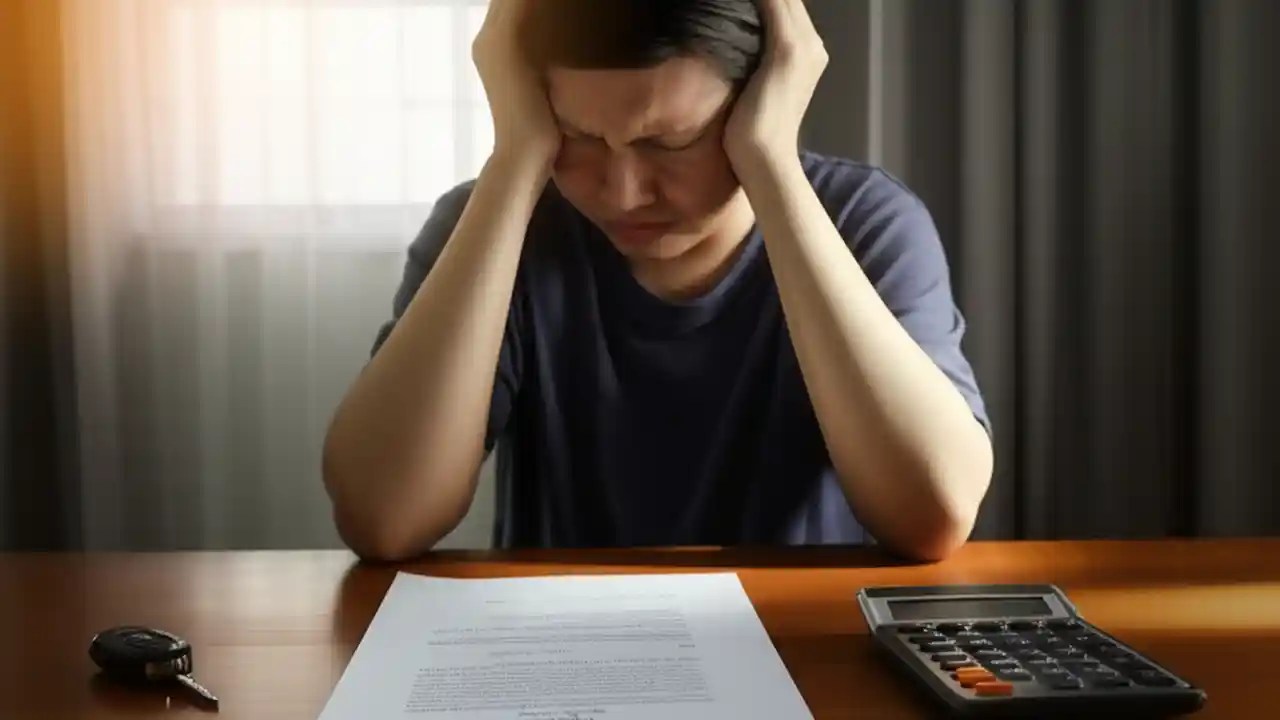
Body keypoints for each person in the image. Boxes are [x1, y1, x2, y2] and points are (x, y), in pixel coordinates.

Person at [322, 0, 993, 562]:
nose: (622, 191)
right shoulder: (496, 228)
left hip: (799, 648)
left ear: (759, 104)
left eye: (671, 143)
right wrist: (515, 159)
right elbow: (384, 518)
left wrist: (772, 166)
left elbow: (930, 514)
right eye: (577, 136)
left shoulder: (867, 224)